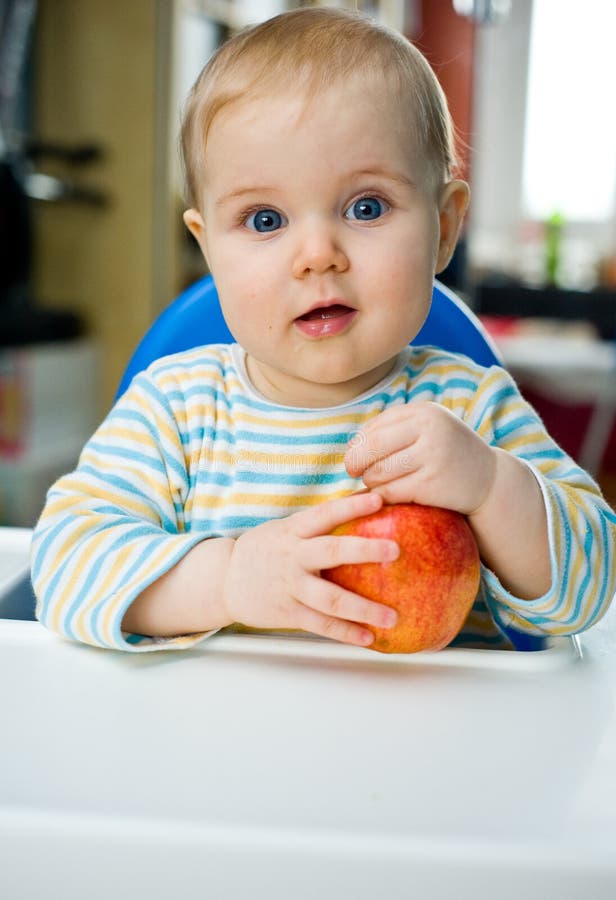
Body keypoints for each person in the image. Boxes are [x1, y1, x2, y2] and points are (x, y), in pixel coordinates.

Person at [31, 7, 615, 653]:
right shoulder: (176, 410)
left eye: (366, 207)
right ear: (208, 249)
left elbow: (588, 591)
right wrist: (226, 579)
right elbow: (61, 570)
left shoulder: (469, 409)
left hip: (430, 740)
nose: (317, 254)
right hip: (216, 742)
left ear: (444, 228)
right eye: (263, 220)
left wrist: (491, 486)